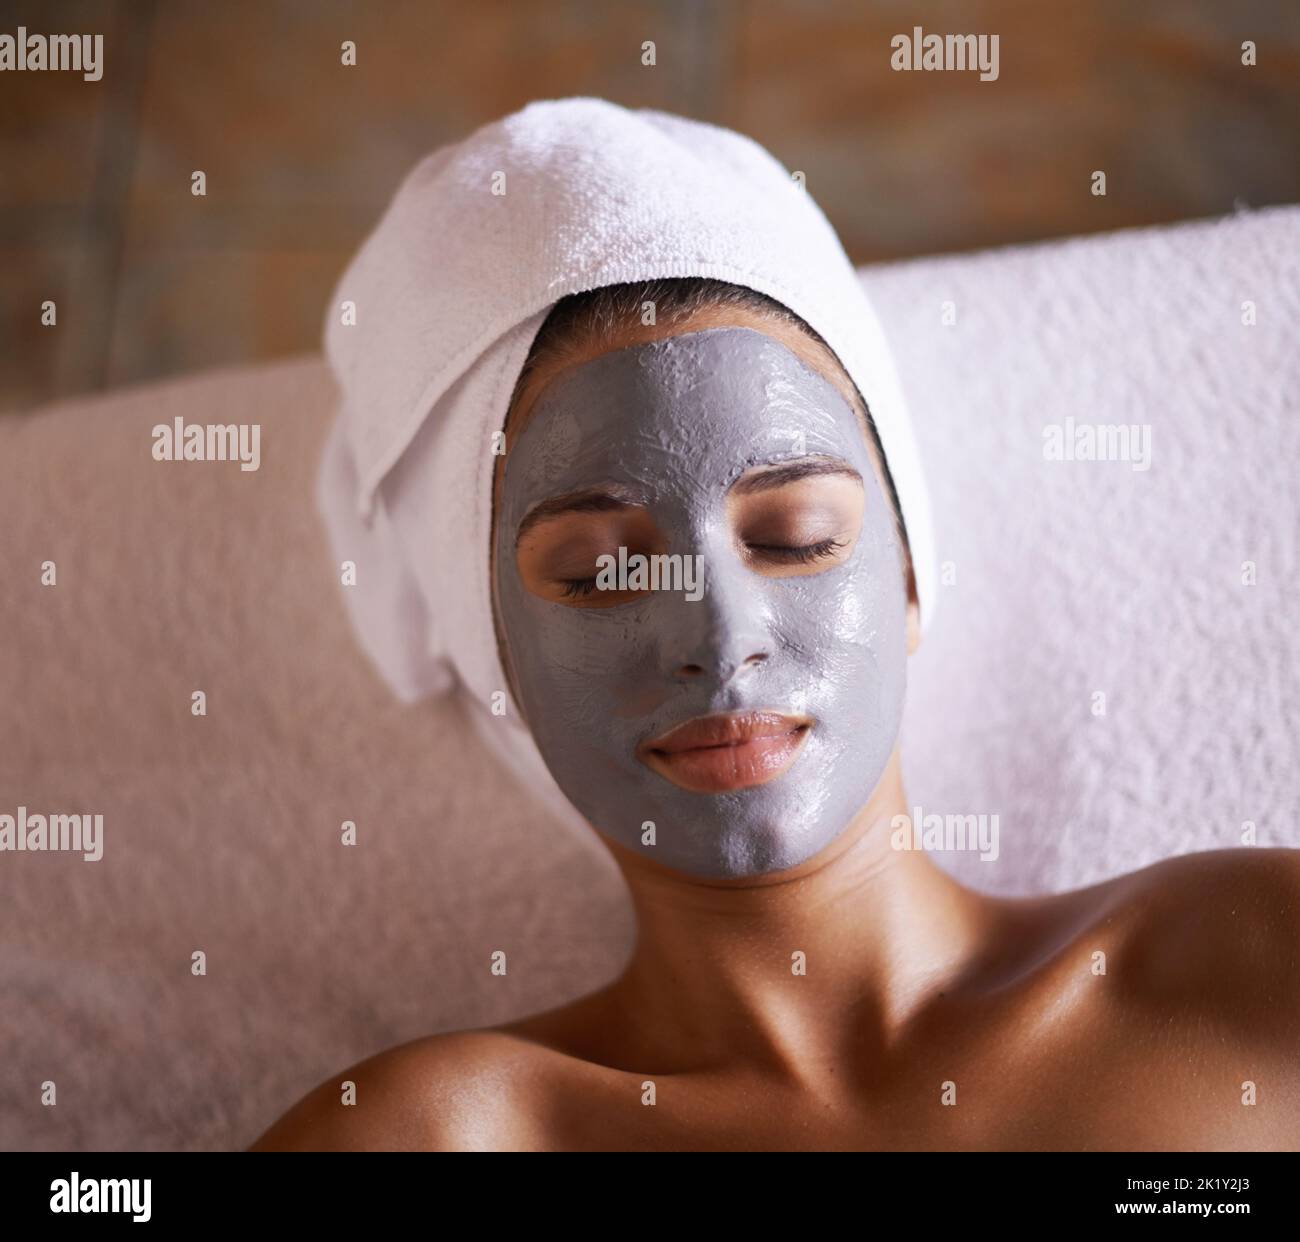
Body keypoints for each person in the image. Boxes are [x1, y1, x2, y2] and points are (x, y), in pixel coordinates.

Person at [251, 276, 1300, 1152]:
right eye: (598, 572)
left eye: (796, 535)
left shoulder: (1248, 961)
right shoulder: (446, 1136)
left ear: (908, 583)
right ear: (502, 667)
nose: (717, 633)